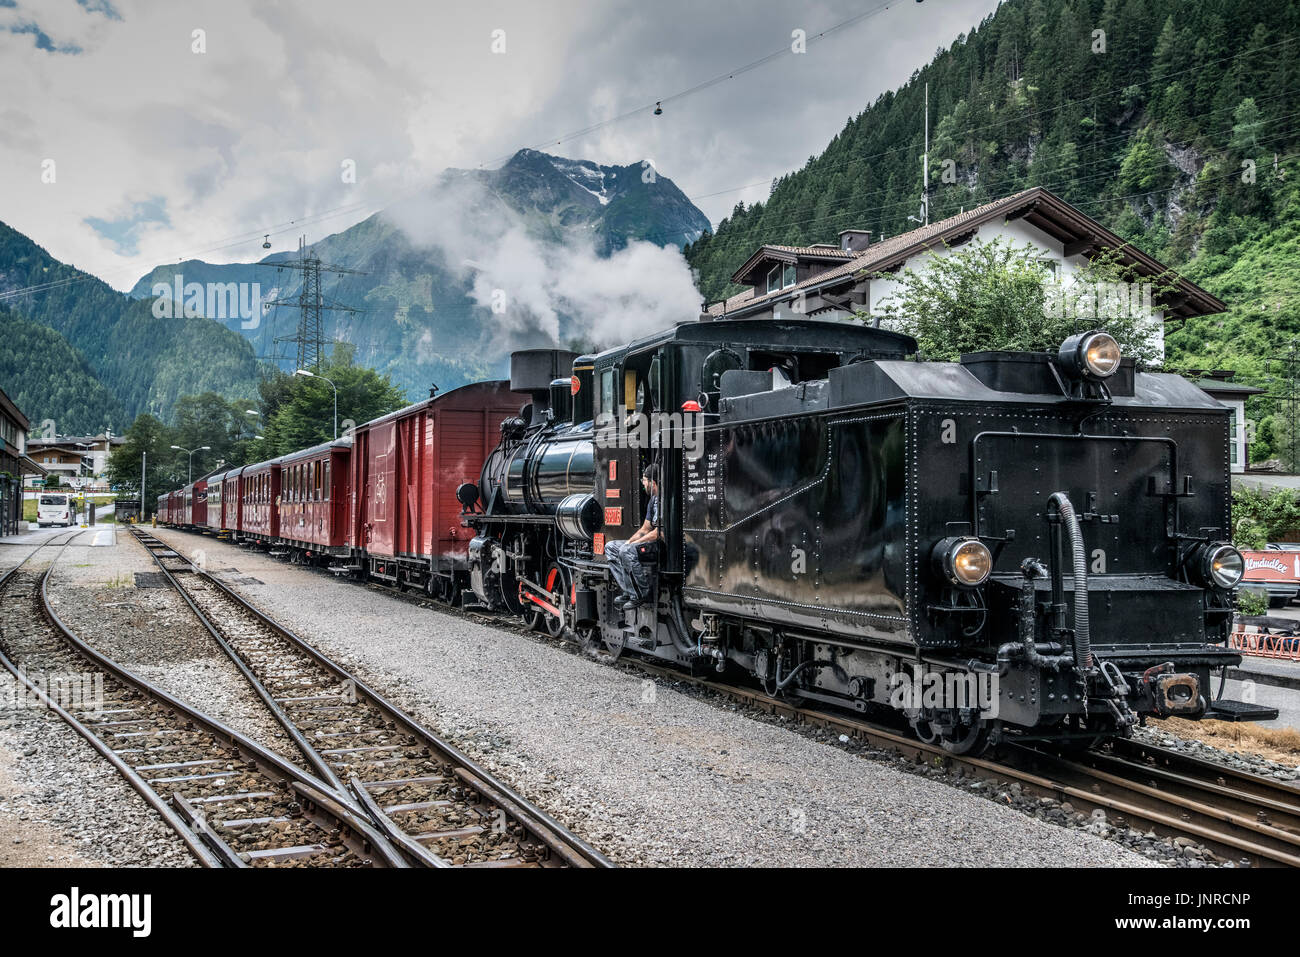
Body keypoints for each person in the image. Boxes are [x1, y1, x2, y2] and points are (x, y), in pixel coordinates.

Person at [605, 463, 660, 612]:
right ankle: (629, 591)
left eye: (644, 480)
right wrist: (629, 541)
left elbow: (658, 533)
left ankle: (640, 594)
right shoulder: (653, 500)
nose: (643, 483)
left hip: (660, 544)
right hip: (650, 540)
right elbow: (645, 528)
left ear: (652, 482)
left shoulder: (665, 500)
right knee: (611, 547)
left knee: (626, 551)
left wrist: (630, 546)